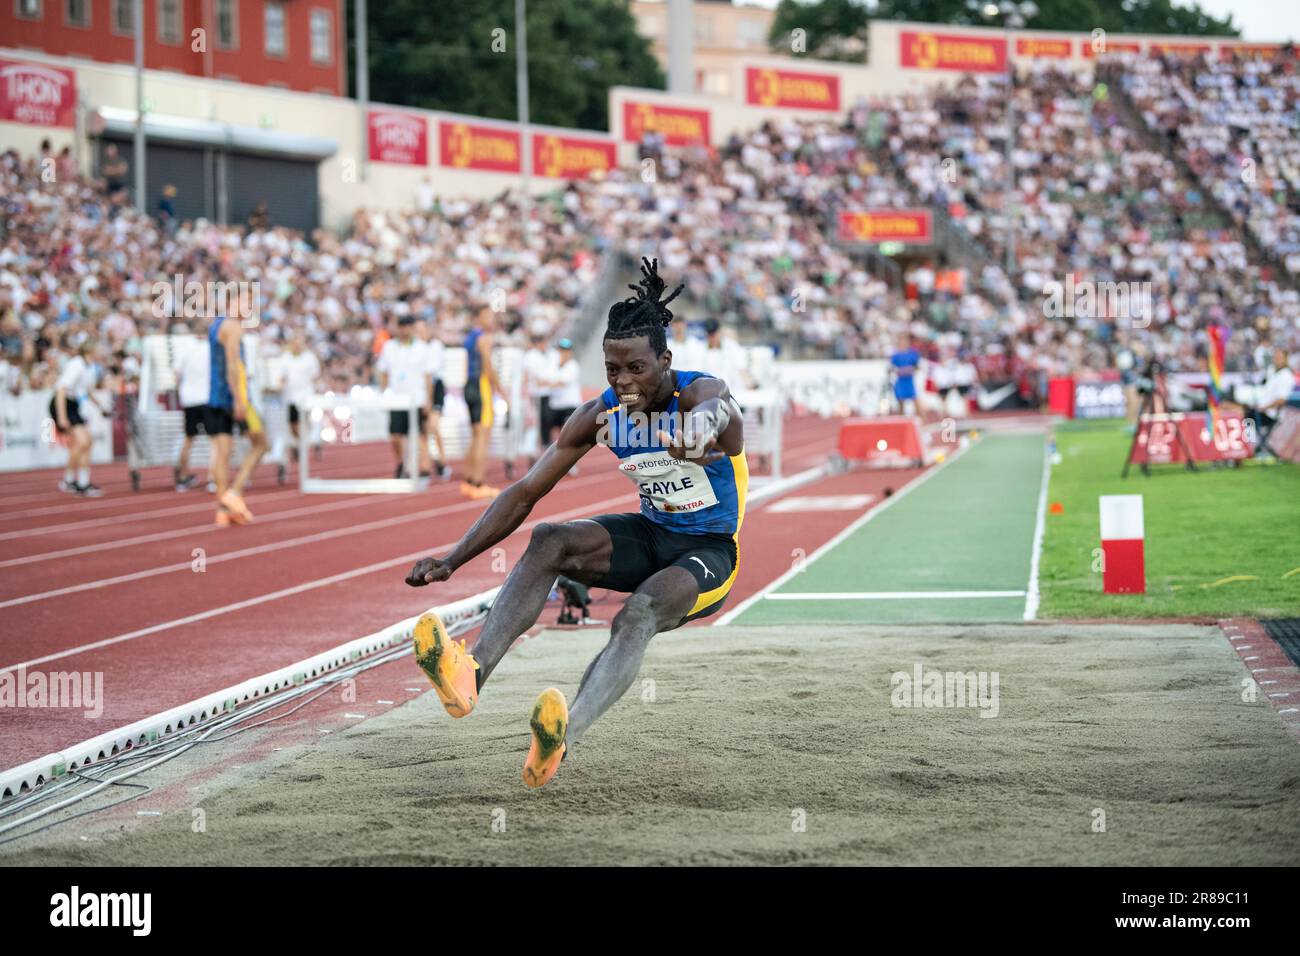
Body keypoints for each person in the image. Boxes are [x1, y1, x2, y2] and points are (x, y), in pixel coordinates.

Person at [405, 258, 748, 789]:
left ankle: (562, 739)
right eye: (614, 370)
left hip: (707, 553)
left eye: (637, 368)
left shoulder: (699, 393)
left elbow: (724, 421)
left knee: (638, 613)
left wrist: (696, 433)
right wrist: (453, 559)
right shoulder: (601, 413)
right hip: (652, 535)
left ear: (665, 359)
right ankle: (469, 675)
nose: (625, 381)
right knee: (549, 540)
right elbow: (524, 494)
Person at [206, 310, 268, 526]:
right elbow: (234, 365)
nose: (251, 307)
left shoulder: (216, 325)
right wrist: (239, 400)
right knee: (260, 443)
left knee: (223, 451)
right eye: (247, 300)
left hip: (216, 395)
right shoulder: (233, 326)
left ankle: (224, 509)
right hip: (234, 397)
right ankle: (233, 493)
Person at [377, 313, 433, 478]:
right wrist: (384, 391)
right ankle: (401, 463)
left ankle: (416, 468)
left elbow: (428, 376)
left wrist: (428, 399)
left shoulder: (422, 348)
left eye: (408, 326)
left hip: (416, 399)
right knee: (395, 436)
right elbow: (383, 371)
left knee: (415, 436)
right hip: (396, 398)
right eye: (402, 326)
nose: (405, 330)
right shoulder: (389, 347)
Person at [461, 307, 506, 499]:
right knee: (483, 435)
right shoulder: (483, 338)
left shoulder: (470, 337)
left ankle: (469, 480)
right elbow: (487, 365)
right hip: (481, 386)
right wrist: (500, 389)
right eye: (487, 315)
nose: (491, 319)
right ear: (478, 317)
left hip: (469, 385)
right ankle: (478, 483)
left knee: (475, 434)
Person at [49, 339, 104, 497]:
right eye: (98, 349)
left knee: (86, 443)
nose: (101, 353)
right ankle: (72, 481)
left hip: (72, 405)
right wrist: (61, 417)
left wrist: (101, 407)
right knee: (82, 442)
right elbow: (60, 390)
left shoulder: (90, 367)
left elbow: (87, 391)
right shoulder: (77, 364)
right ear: (90, 351)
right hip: (62, 403)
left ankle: (79, 481)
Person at [173, 324, 210, 492]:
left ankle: (182, 478)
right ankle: (214, 478)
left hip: (188, 399)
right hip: (207, 398)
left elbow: (176, 375)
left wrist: (181, 391)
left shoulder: (184, 349)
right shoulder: (211, 348)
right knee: (215, 440)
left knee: (188, 438)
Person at [279, 333, 322, 466]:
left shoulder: (309, 358)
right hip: (291, 396)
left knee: (305, 422)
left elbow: (315, 376)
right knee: (293, 425)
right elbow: (282, 376)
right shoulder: (285, 358)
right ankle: (300, 444)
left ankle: (308, 443)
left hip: (306, 396)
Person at [419, 318, 451, 480]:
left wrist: (429, 398)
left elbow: (430, 371)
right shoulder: (417, 348)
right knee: (422, 431)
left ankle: (441, 461)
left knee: (433, 427)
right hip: (420, 388)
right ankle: (426, 464)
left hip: (435, 387)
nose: (420, 333)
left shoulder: (435, 346)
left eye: (422, 329)